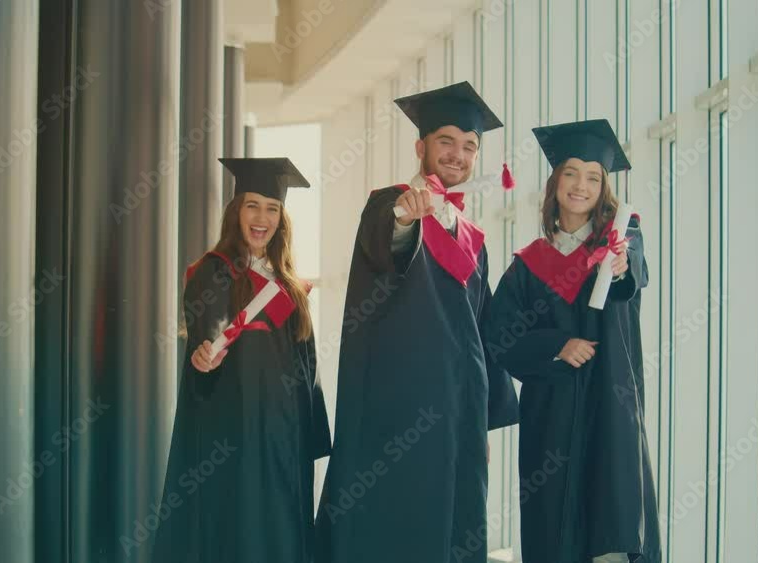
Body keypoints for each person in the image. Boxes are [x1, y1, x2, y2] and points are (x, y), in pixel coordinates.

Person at [315, 81, 519, 563]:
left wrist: (481, 421)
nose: (458, 154)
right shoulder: (389, 204)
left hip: (457, 415)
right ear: (420, 146)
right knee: (395, 523)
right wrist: (406, 217)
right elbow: (386, 243)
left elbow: (482, 333)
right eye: (446, 141)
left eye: (469, 146)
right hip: (398, 411)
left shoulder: (472, 237)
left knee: (453, 526)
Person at [485, 120, 661, 563]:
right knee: (554, 530)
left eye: (593, 176)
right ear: (555, 182)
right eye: (571, 173)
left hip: (610, 409)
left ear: (603, 188)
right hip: (552, 418)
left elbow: (633, 268)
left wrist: (620, 265)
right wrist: (555, 346)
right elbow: (499, 336)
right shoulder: (528, 266)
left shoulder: (621, 237)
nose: (581, 185)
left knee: (613, 529)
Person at [153, 157, 332, 563]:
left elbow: (305, 362)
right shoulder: (214, 273)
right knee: (243, 533)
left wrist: (310, 434)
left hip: (285, 439)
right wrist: (203, 360)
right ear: (236, 212)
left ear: (282, 220)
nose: (261, 217)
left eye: (272, 208)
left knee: (285, 533)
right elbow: (208, 336)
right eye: (252, 205)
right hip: (238, 438)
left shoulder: (288, 285)